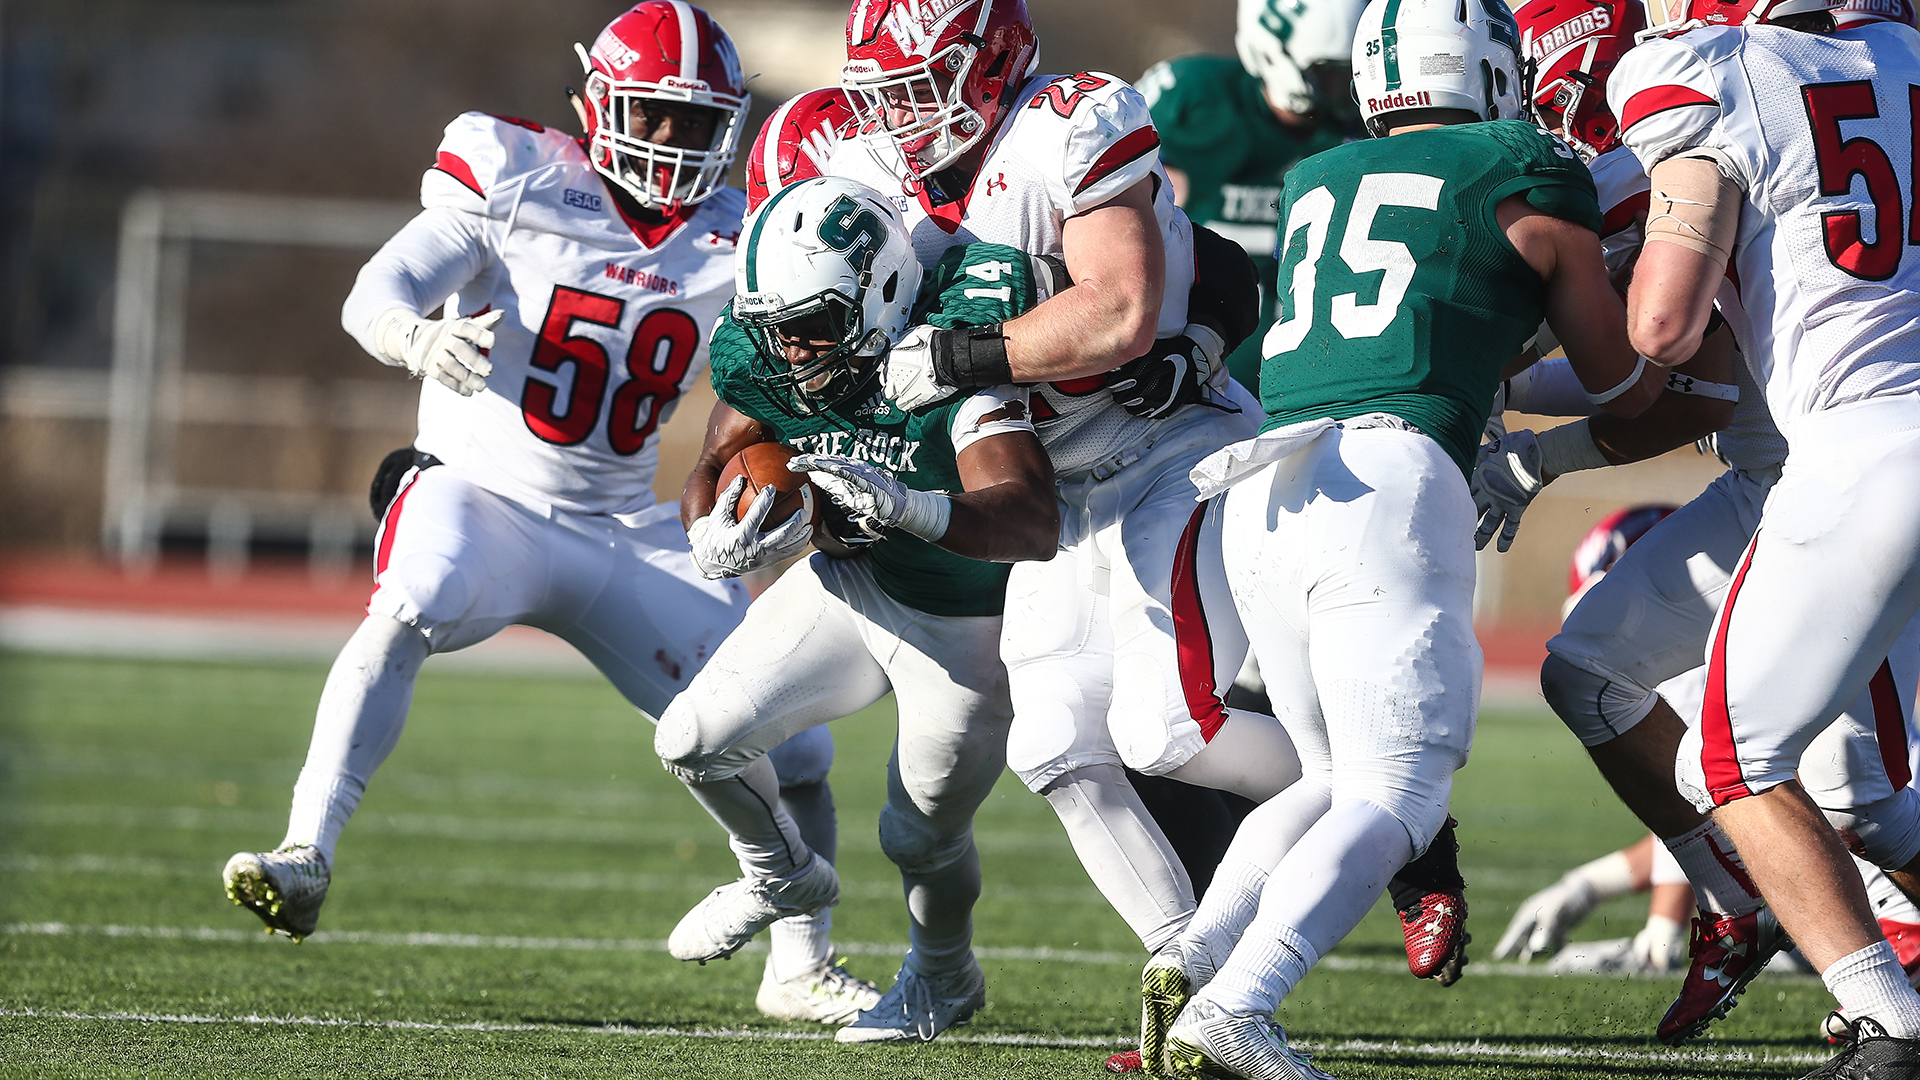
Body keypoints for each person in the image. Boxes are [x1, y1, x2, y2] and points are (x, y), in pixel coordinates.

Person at [219, 2, 875, 1026]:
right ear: (598, 106)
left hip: (626, 527)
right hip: (486, 495)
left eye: (694, 123)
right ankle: (306, 852)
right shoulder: (516, 177)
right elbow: (377, 287)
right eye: (652, 117)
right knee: (412, 599)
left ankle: (799, 966)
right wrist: (411, 339)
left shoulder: (736, 230)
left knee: (797, 746)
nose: (670, 142)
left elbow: (786, 382)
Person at [1157, 0, 1665, 1069]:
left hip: (1269, 484)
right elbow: (1623, 379)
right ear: (1485, 63)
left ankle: (1192, 956)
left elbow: (1425, 307)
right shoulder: (1522, 159)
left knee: (1327, 779)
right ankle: (1240, 1003)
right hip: (1387, 479)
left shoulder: (1317, 176)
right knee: (1399, 790)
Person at [1478, 0, 1920, 1047]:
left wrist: (1529, 400)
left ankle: (1885, 1023)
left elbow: (1671, 342)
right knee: (1593, 669)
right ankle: (1744, 901)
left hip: (1855, 460)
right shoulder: (1896, 56)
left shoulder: (1708, 75)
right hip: (1821, 464)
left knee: (1743, 763)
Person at [656, 175, 1059, 1043]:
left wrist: (914, 507)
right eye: (776, 330)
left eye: (811, 327)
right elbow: (716, 452)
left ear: (879, 293)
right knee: (692, 740)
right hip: (852, 584)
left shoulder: (946, 346)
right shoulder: (771, 345)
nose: (792, 352)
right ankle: (781, 874)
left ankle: (944, 978)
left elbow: (1031, 516)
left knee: (918, 836)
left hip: (963, 626)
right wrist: (706, 532)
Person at [1137, 0, 1366, 395]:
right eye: (1332, 77)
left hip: (1316, 376)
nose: (1349, 94)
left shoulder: (1360, 129)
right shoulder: (1192, 97)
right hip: (1195, 370)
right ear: (1275, 51)